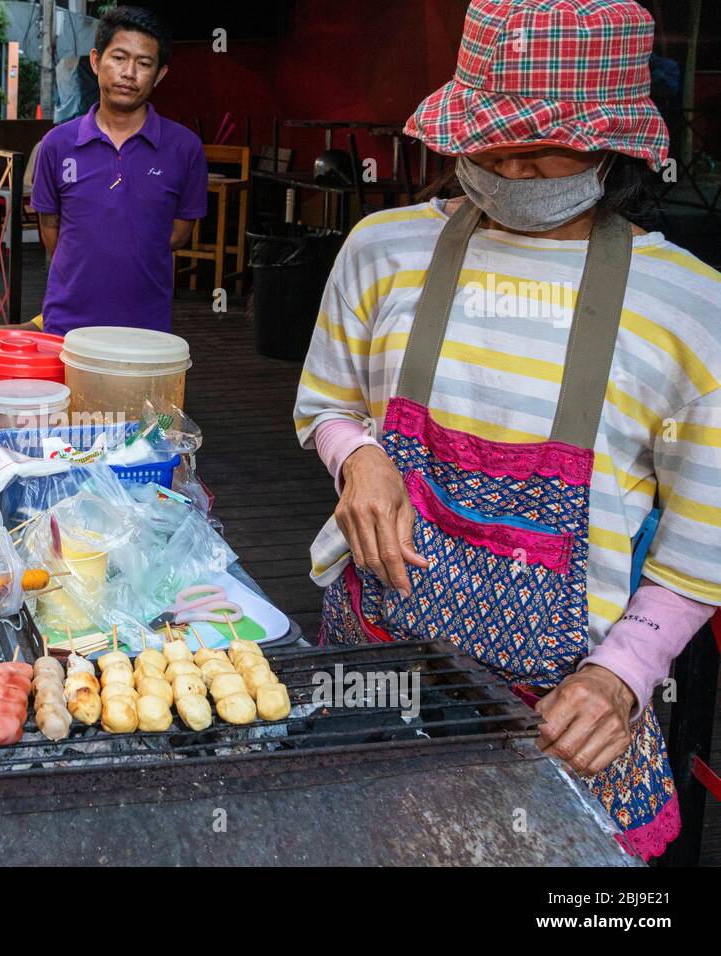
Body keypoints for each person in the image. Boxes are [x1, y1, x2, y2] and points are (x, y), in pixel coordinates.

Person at [294, 0, 720, 860]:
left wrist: (625, 674)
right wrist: (360, 457)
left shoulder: (690, 306)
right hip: (375, 669)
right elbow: (324, 405)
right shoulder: (382, 249)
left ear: (616, 141)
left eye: (540, 147)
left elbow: (701, 543)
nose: (509, 167)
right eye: (488, 144)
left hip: (565, 715)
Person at [0, 6, 208, 338]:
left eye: (144, 64)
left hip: (147, 330)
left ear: (159, 75)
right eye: (118, 58)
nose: (129, 73)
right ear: (96, 61)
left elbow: (176, 235)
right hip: (66, 327)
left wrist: (128, 253)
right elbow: (51, 231)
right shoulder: (57, 145)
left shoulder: (184, 148)